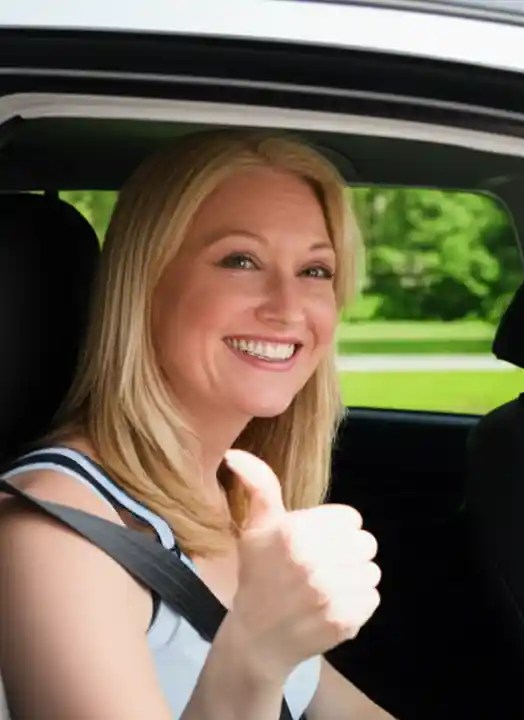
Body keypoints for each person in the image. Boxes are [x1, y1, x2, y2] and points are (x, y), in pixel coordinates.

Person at [0, 129, 394, 719]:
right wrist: (256, 653)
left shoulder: (226, 500)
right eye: (241, 260)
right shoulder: (58, 535)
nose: (287, 307)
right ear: (146, 287)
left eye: (315, 270)